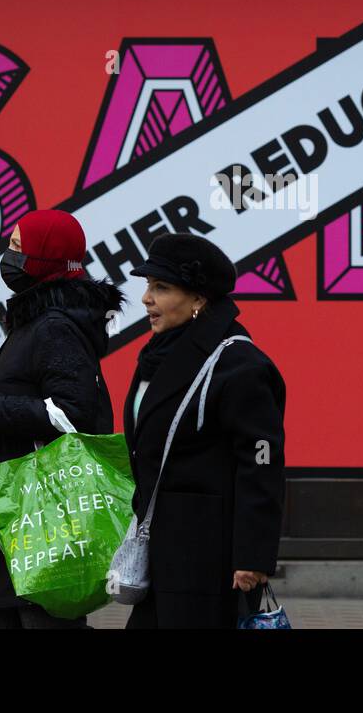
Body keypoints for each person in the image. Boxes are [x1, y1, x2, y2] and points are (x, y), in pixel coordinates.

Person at [0, 209, 123, 629]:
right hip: (16, 509)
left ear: (45, 260)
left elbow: (74, 415)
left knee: (43, 619)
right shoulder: (38, 318)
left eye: (17, 247)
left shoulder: (53, 326)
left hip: (41, 517)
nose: (7, 256)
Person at [121, 232, 286, 628]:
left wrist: (253, 556)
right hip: (161, 552)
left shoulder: (240, 364)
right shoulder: (158, 355)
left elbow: (260, 464)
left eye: (161, 287)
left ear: (198, 300)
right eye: (147, 285)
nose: (146, 298)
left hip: (209, 562)